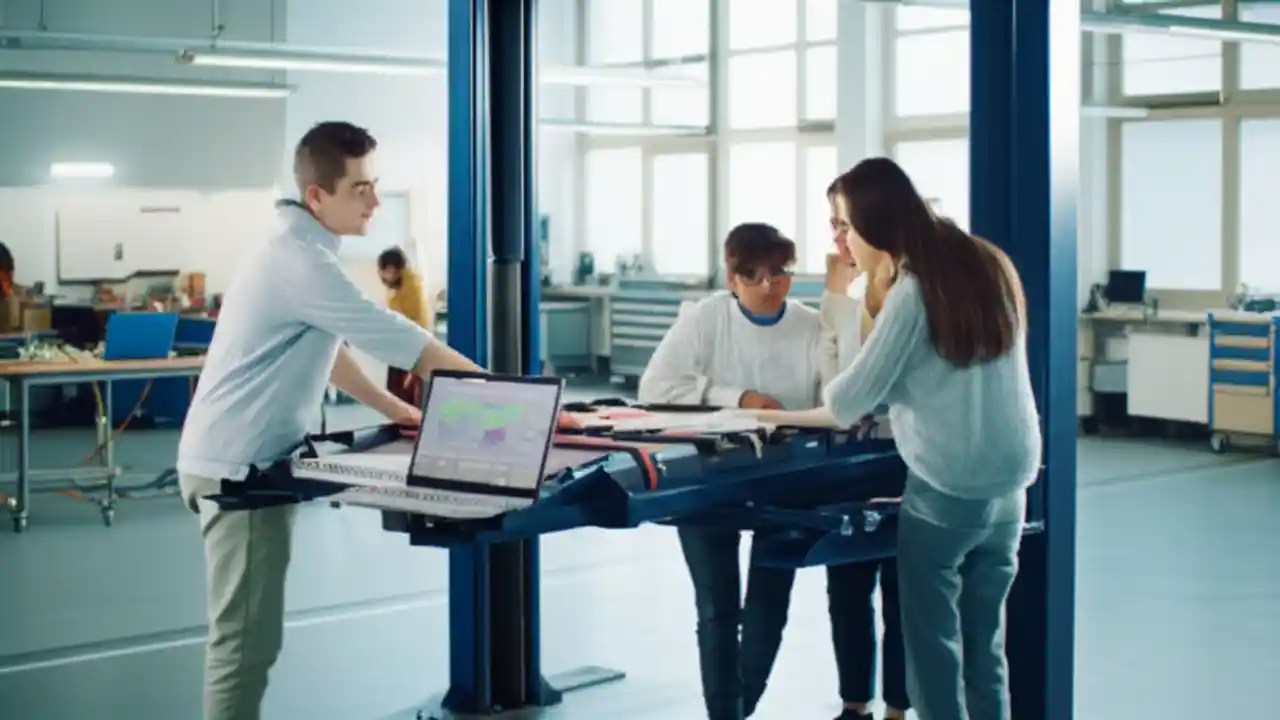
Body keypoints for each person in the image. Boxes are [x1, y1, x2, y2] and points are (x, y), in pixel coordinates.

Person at [175, 121, 569, 720]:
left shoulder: (293, 252)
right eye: (361, 187)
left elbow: (325, 349)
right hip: (237, 470)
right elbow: (406, 342)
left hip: (232, 459)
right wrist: (514, 407)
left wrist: (396, 409)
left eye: (375, 184)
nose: (376, 201)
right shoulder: (302, 262)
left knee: (246, 640)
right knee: (245, 648)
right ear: (317, 197)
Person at [752, 157, 1040, 720]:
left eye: (843, 225)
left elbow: (847, 401)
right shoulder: (988, 264)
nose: (840, 242)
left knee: (933, 649)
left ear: (874, 222)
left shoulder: (914, 290)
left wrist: (762, 419)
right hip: (1010, 483)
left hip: (948, 487)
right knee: (986, 647)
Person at [638, 223, 907, 720]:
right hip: (709, 476)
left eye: (778, 273)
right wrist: (737, 399)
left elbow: (840, 392)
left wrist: (836, 308)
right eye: (752, 275)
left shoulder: (807, 325)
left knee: (768, 600)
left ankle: (740, 709)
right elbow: (657, 385)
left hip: (786, 480)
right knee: (716, 609)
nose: (767, 285)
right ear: (731, 276)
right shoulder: (705, 320)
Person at [377, 246, 429, 405]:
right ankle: (399, 424)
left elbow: (413, 320)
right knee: (396, 390)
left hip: (410, 347)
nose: (382, 274)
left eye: (385, 270)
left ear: (395, 269)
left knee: (403, 391)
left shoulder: (410, 286)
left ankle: (404, 426)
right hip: (401, 345)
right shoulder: (400, 287)